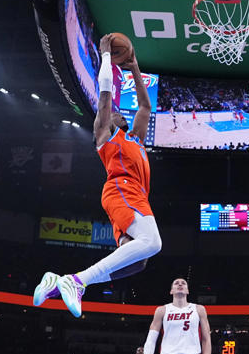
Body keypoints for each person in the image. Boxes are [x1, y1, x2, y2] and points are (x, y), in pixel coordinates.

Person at [33, 34, 161, 318]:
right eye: (111, 113)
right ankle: (77, 281)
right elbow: (105, 95)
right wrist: (105, 56)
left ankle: (58, 282)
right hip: (122, 190)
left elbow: (144, 107)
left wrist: (135, 67)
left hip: (134, 196)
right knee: (154, 242)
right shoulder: (106, 136)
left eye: (118, 112)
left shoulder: (136, 139)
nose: (115, 112)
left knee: (138, 261)